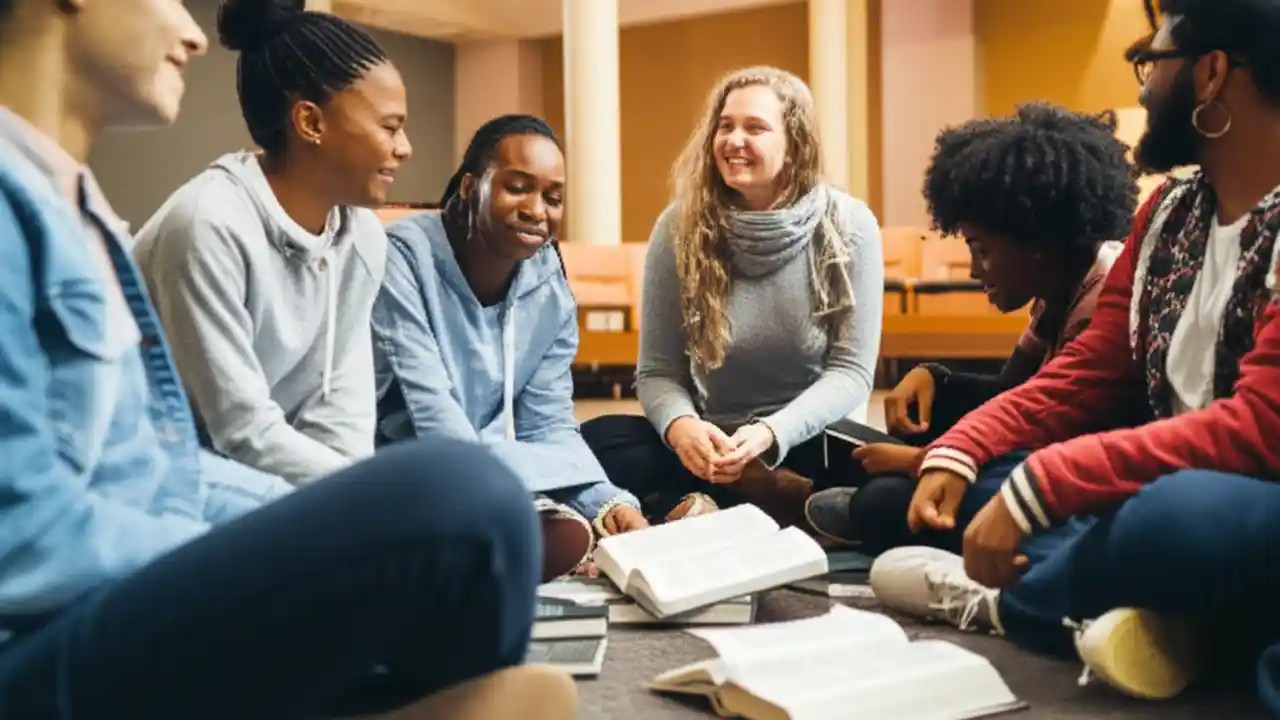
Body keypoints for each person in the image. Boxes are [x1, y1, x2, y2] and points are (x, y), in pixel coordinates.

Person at [0, 0, 569, 717]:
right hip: (35, 644)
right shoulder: (169, 218)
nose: (193, 34)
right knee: (467, 497)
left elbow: (164, 466)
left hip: (145, 562)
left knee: (471, 520)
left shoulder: (78, 209)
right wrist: (254, 552)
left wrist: (335, 527)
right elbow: (22, 541)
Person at [869, 1, 1280, 711]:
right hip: (1182, 499)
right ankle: (1184, 623)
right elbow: (1090, 371)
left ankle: (1012, 605)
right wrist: (959, 450)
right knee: (987, 485)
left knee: (1178, 515)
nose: (1146, 88)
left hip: (1240, 502)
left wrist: (1050, 485)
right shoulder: (1168, 215)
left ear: (1212, 73)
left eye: (1154, 63)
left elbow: (1261, 429)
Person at [805, 102, 1137, 551]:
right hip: (1036, 446)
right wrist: (933, 376)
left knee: (882, 501)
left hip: (1083, 474)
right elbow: (1012, 391)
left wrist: (917, 463)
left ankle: (835, 506)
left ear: (1036, 241)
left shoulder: (1104, 298)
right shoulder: (1060, 285)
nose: (975, 270)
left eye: (983, 250)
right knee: (923, 414)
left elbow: (1058, 437)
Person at [582, 66, 885, 527]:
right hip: (716, 446)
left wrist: (769, 435)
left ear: (795, 144)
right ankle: (754, 501)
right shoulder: (678, 227)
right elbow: (659, 371)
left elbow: (852, 373)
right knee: (596, 438)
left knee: (889, 485)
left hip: (807, 442)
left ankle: (714, 503)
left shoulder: (849, 224)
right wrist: (683, 428)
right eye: (725, 126)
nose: (732, 140)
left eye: (755, 127)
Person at [133, 0, 412, 484]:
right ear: (310, 123)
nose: (404, 148)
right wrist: (365, 504)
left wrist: (360, 511)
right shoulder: (207, 225)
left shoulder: (363, 236)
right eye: (389, 127)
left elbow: (339, 411)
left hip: (254, 479)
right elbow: (239, 430)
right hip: (159, 475)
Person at [372, 114, 648, 544]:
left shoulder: (549, 289)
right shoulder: (402, 259)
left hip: (485, 472)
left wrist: (606, 502)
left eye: (553, 197)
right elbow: (435, 419)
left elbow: (548, 426)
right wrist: (533, 474)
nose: (536, 210)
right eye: (517, 188)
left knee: (610, 455)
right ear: (469, 188)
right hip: (396, 470)